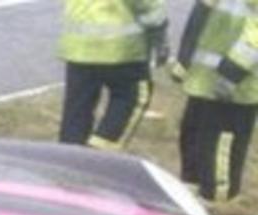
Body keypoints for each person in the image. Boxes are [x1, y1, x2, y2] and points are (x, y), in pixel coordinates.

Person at [175, 0, 258, 203]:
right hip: (208, 80)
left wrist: (232, 73)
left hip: (236, 84)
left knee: (220, 143)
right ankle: (195, 190)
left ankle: (218, 199)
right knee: (196, 135)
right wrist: (183, 61)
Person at [59, 1, 170, 149]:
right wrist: (159, 33)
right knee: (132, 96)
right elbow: (147, 6)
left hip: (79, 44)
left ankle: (67, 160)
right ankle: (98, 155)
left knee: (76, 112)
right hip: (120, 46)